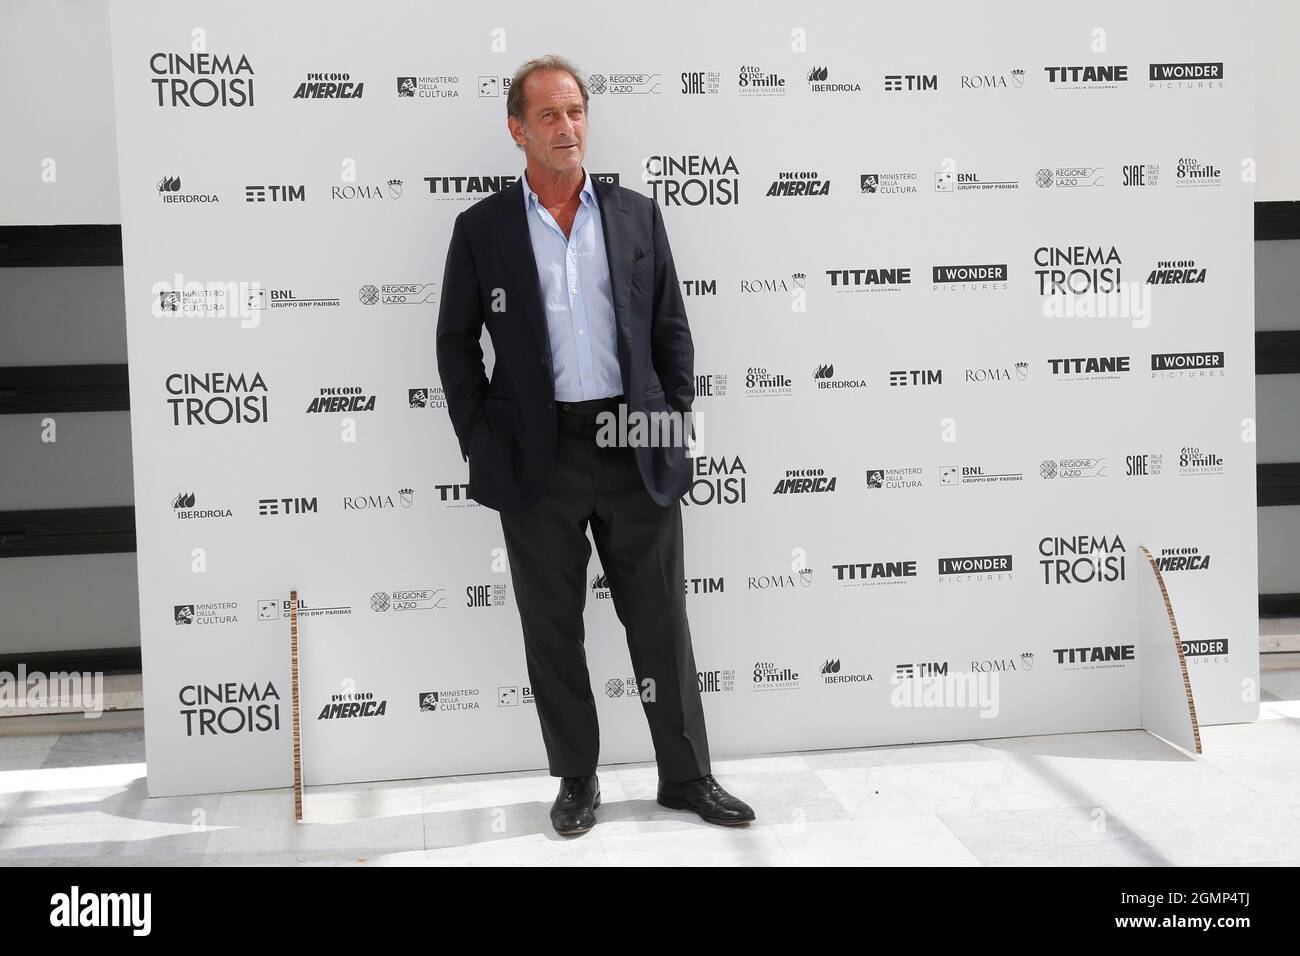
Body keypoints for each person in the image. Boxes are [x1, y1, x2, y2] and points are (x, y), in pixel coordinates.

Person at [435, 55, 754, 835]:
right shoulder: (481, 230)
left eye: (575, 112)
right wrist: (484, 438)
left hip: (630, 436)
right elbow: (454, 343)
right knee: (552, 627)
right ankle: (577, 780)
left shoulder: (637, 216)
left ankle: (687, 776)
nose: (567, 127)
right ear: (517, 130)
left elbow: (671, 331)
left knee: (660, 620)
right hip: (535, 451)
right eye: (548, 115)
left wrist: (669, 420)